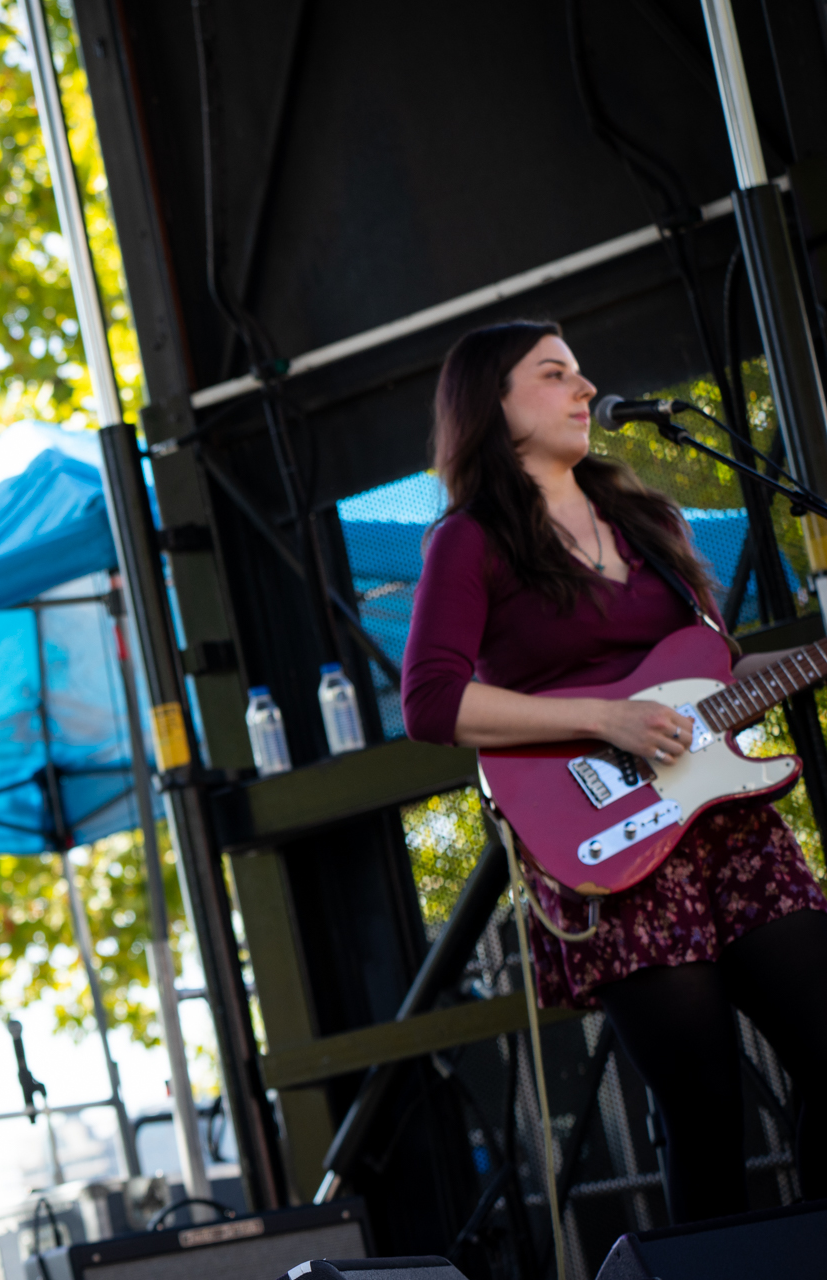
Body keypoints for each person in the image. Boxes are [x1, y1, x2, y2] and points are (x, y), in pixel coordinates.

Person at [400, 319, 827, 1224]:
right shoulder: (469, 542)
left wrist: (809, 661)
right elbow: (432, 703)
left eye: (583, 373)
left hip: (730, 823)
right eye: (555, 375)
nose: (586, 390)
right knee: (704, 1111)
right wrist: (604, 716)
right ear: (495, 407)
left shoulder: (646, 519)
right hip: (607, 834)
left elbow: (711, 678)